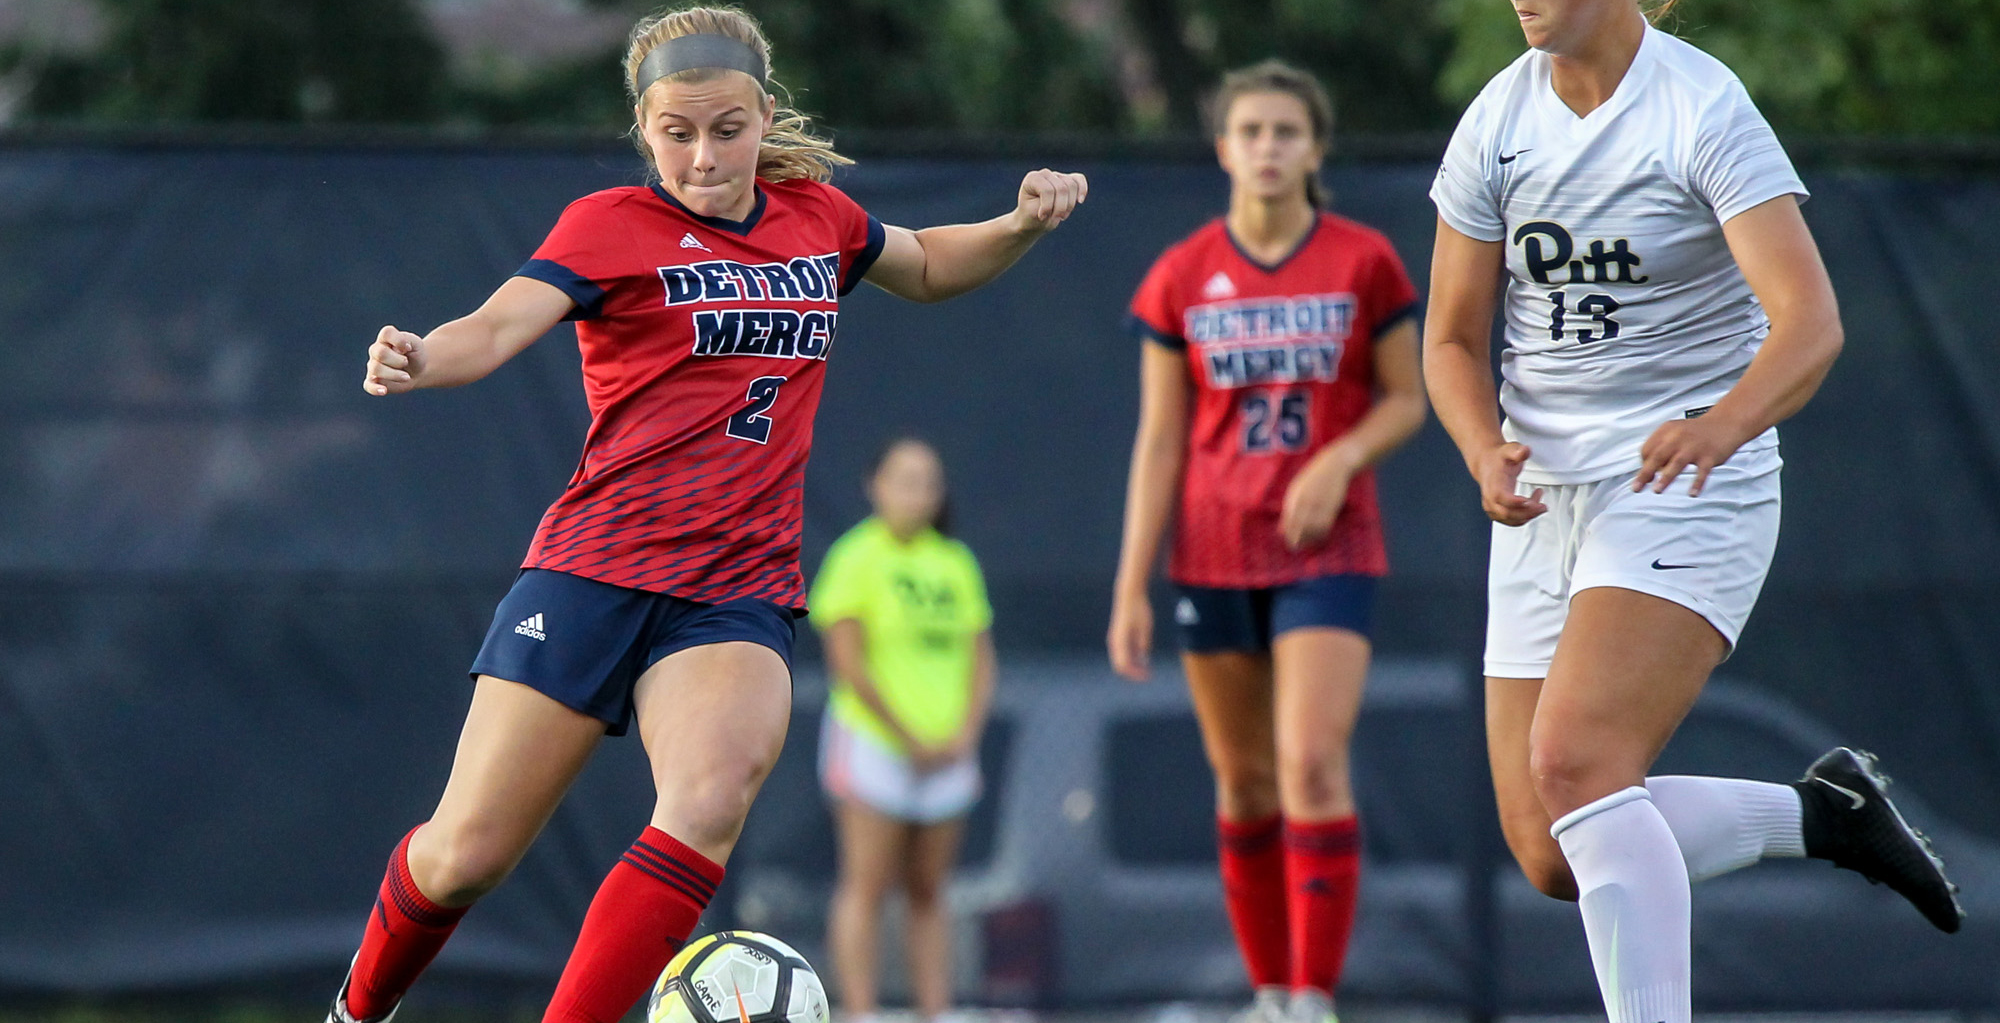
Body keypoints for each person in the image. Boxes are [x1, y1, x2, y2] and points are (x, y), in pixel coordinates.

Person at [333, 7, 1085, 1023]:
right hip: (593, 569)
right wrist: (422, 357)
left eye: (726, 129)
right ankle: (356, 1011)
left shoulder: (815, 214)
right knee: (463, 855)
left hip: (733, 587)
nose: (702, 155)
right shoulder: (608, 224)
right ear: (643, 129)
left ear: (762, 115)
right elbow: (496, 325)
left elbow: (927, 264)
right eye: (675, 132)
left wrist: (1018, 224)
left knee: (708, 799)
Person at [1423, 1, 1964, 1020]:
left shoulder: (1698, 107)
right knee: (1547, 848)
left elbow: (1808, 325)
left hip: (1681, 483)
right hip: (1543, 497)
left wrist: (1718, 426)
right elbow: (1449, 338)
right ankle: (1823, 815)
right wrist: (1475, 447)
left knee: (1574, 762)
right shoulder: (1497, 119)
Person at [1106, 60, 1428, 1023]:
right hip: (1212, 546)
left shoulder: (1364, 260)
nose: (1269, 148)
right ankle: (1271, 995)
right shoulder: (1180, 271)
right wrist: (1130, 583)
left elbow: (1409, 397)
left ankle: (1316, 999)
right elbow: (1161, 438)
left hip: (1328, 547)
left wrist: (1342, 458)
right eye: (1250, 131)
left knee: (1310, 762)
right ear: (1222, 147)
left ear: (1316, 148)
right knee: (1244, 782)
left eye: (1288, 131)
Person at [811, 438, 996, 1023]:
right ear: (876, 485)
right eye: (905, 479)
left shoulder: (955, 562)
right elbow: (847, 660)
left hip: (948, 752)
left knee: (928, 889)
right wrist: (907, 737)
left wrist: (964, 733)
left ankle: (933, 1012)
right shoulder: (855, 557)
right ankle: (860, 1012)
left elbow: (981, 657)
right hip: (875, 745)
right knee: (865, 883)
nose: (918, 493)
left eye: (929, 482)